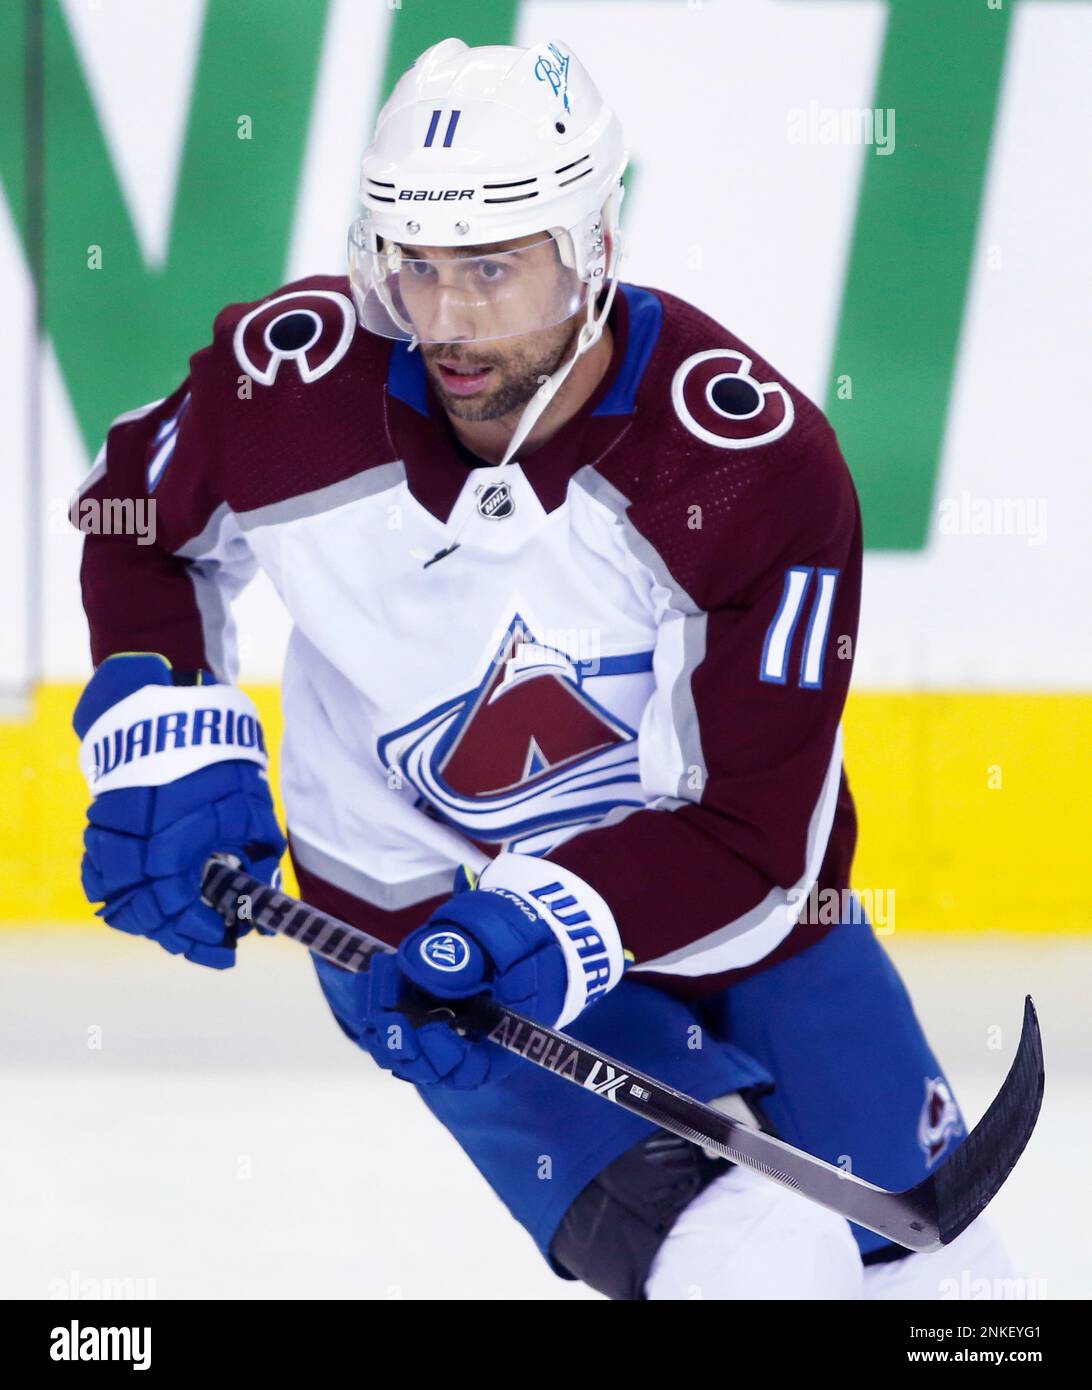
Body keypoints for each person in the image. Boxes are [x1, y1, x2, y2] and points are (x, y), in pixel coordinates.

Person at [72, 36, 1011, 1300]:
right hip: (416, 921)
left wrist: (547, 916)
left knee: (952, 1288)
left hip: (741, 920)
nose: (446, 321)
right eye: (415, 263)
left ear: (594, 246)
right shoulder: (291, 381)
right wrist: (165, 724)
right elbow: (138, 510)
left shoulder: (750, 470)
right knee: (754, 1264)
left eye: (493, 269)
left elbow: (746, 837)